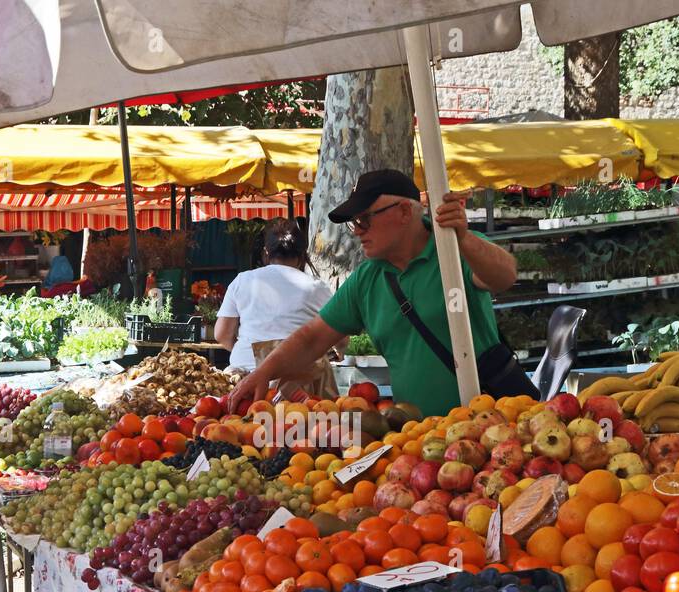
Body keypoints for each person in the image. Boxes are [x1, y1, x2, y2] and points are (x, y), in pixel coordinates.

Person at [229, 169, 518, 418]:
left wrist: (464, 237)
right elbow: (312, 338)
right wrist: (263, 373)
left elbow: (504, 276)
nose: (357, 231)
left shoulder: (454, 249)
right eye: (354, 222)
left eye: (365, 219)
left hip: (486, 427)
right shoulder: (368, 279)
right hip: (416, 437)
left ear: (405, 211)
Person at [214, 218, 332, 372]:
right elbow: (340, 339)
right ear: (302, 254)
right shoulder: (317, 287)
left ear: (267, 252)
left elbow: (222, 334)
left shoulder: (243, 280)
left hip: (245, 376)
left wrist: (247, 353)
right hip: (297, 382)